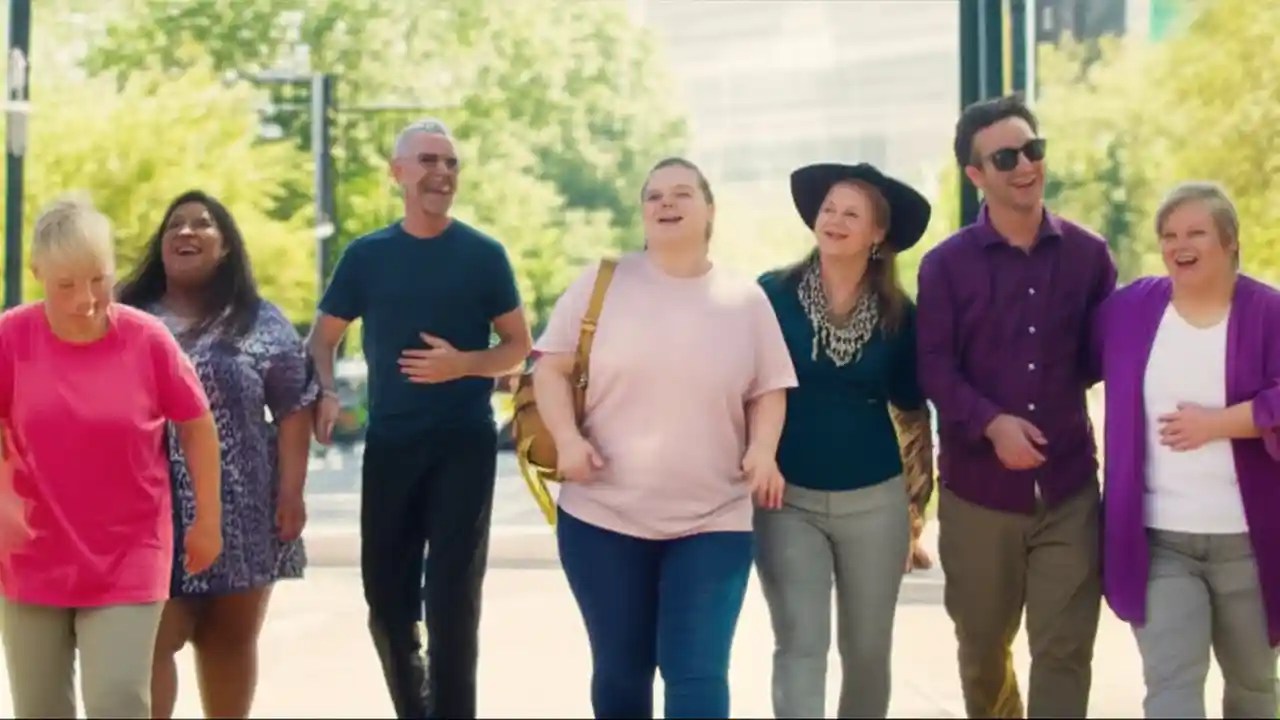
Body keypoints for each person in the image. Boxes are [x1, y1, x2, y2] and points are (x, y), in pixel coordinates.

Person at [532, 156, 798, 719]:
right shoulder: (601, 282)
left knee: (698, 673)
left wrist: (762, 449)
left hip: (714, 519)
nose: (666, 203)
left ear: (709, 211)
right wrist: (567, 439)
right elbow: (549, 368)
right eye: (654, 196)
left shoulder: (745, 299)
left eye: (681, 193)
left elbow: (770, 388)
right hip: (602, 516)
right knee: (621, 672)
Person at [308, 118, 532, 719]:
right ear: (399, 173)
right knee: (386, 600)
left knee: (453, 600)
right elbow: (321, 340)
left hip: (463, 443)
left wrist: (463, 365)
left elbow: (517, 346)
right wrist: (325, 393)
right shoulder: (367, 257)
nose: (442, 173)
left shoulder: (484, 256)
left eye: (452, 163)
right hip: (392, 446)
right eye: (429, 160)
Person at [915, 93, 1117, 718]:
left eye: (1033, 149)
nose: (1026, 165)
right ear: (976, 176)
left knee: (1063, 649)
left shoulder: (1089, 256)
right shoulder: (945, 267)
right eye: (1006, 157)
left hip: (1069, 490)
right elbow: (933, 368)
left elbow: (1102, 354)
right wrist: (991, 422)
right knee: (981, 650)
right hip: (979, 496)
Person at [0, 195, 222, 719]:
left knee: (118, 700)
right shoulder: (11, 337)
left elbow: (196, 425)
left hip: (129, 550)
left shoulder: (148, 341)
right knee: (40, 709)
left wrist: (207, 520)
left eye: (98, 280)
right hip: (31, 552)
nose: (86, 299)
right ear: (38, 274)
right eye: (66, 285)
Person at [116, 190, 318, 719]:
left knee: (229, 643)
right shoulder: (125, 317)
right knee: (150, 642)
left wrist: (291, 493)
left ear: (225, 246)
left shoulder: (259, 320)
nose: (185, 232)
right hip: (145, 513)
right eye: (174, 225)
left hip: (244, 513)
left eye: (201, 224)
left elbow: (294, 407)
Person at [755, 162, 934, 719]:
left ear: (877, 235)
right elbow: (742, 388)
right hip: (788, 503)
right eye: (828, 208)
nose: (833, 219)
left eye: (851, 213)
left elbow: (913, 411)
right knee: (800, 646)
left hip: (875, 500)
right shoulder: (771, 294)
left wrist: (914, 514)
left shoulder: (901, 316)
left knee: (867, 653)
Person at [1097, 182, 1280, 718]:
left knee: (1253, 689)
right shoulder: (1130, 310)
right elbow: (1063, 356)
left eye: (1196, 232)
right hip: (1160, 542)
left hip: (1250, 542)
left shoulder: (1268, 312)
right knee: (1172, 687)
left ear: (1229, 241)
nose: (1181, 244)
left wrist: (1220, 423)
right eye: (1169, 235)